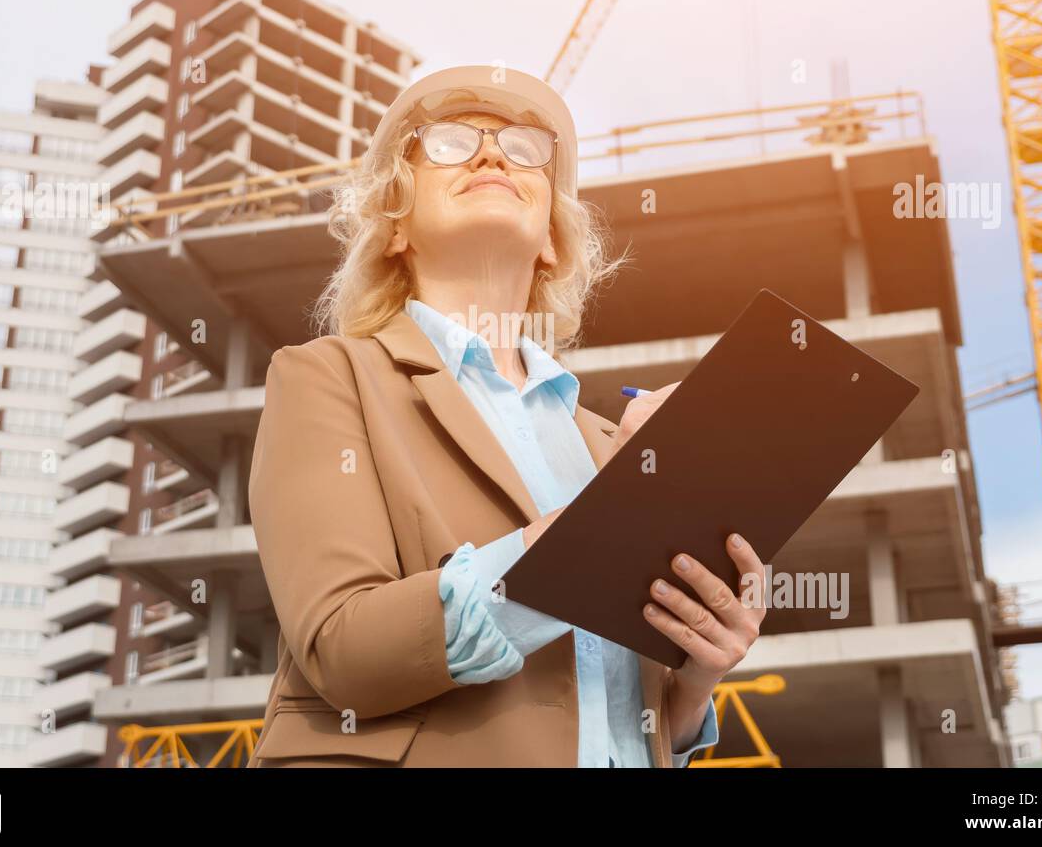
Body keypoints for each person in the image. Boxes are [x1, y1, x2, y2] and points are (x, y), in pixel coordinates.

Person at [247, 65, 766, 767]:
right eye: (452, 143)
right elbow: (343, 649)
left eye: (524, 151)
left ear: (551, 239)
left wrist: (697, 677)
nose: (493, 154)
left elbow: (618, 721)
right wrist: (614, 518)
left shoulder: (611, 444)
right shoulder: (327, 378)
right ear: (395, 226)